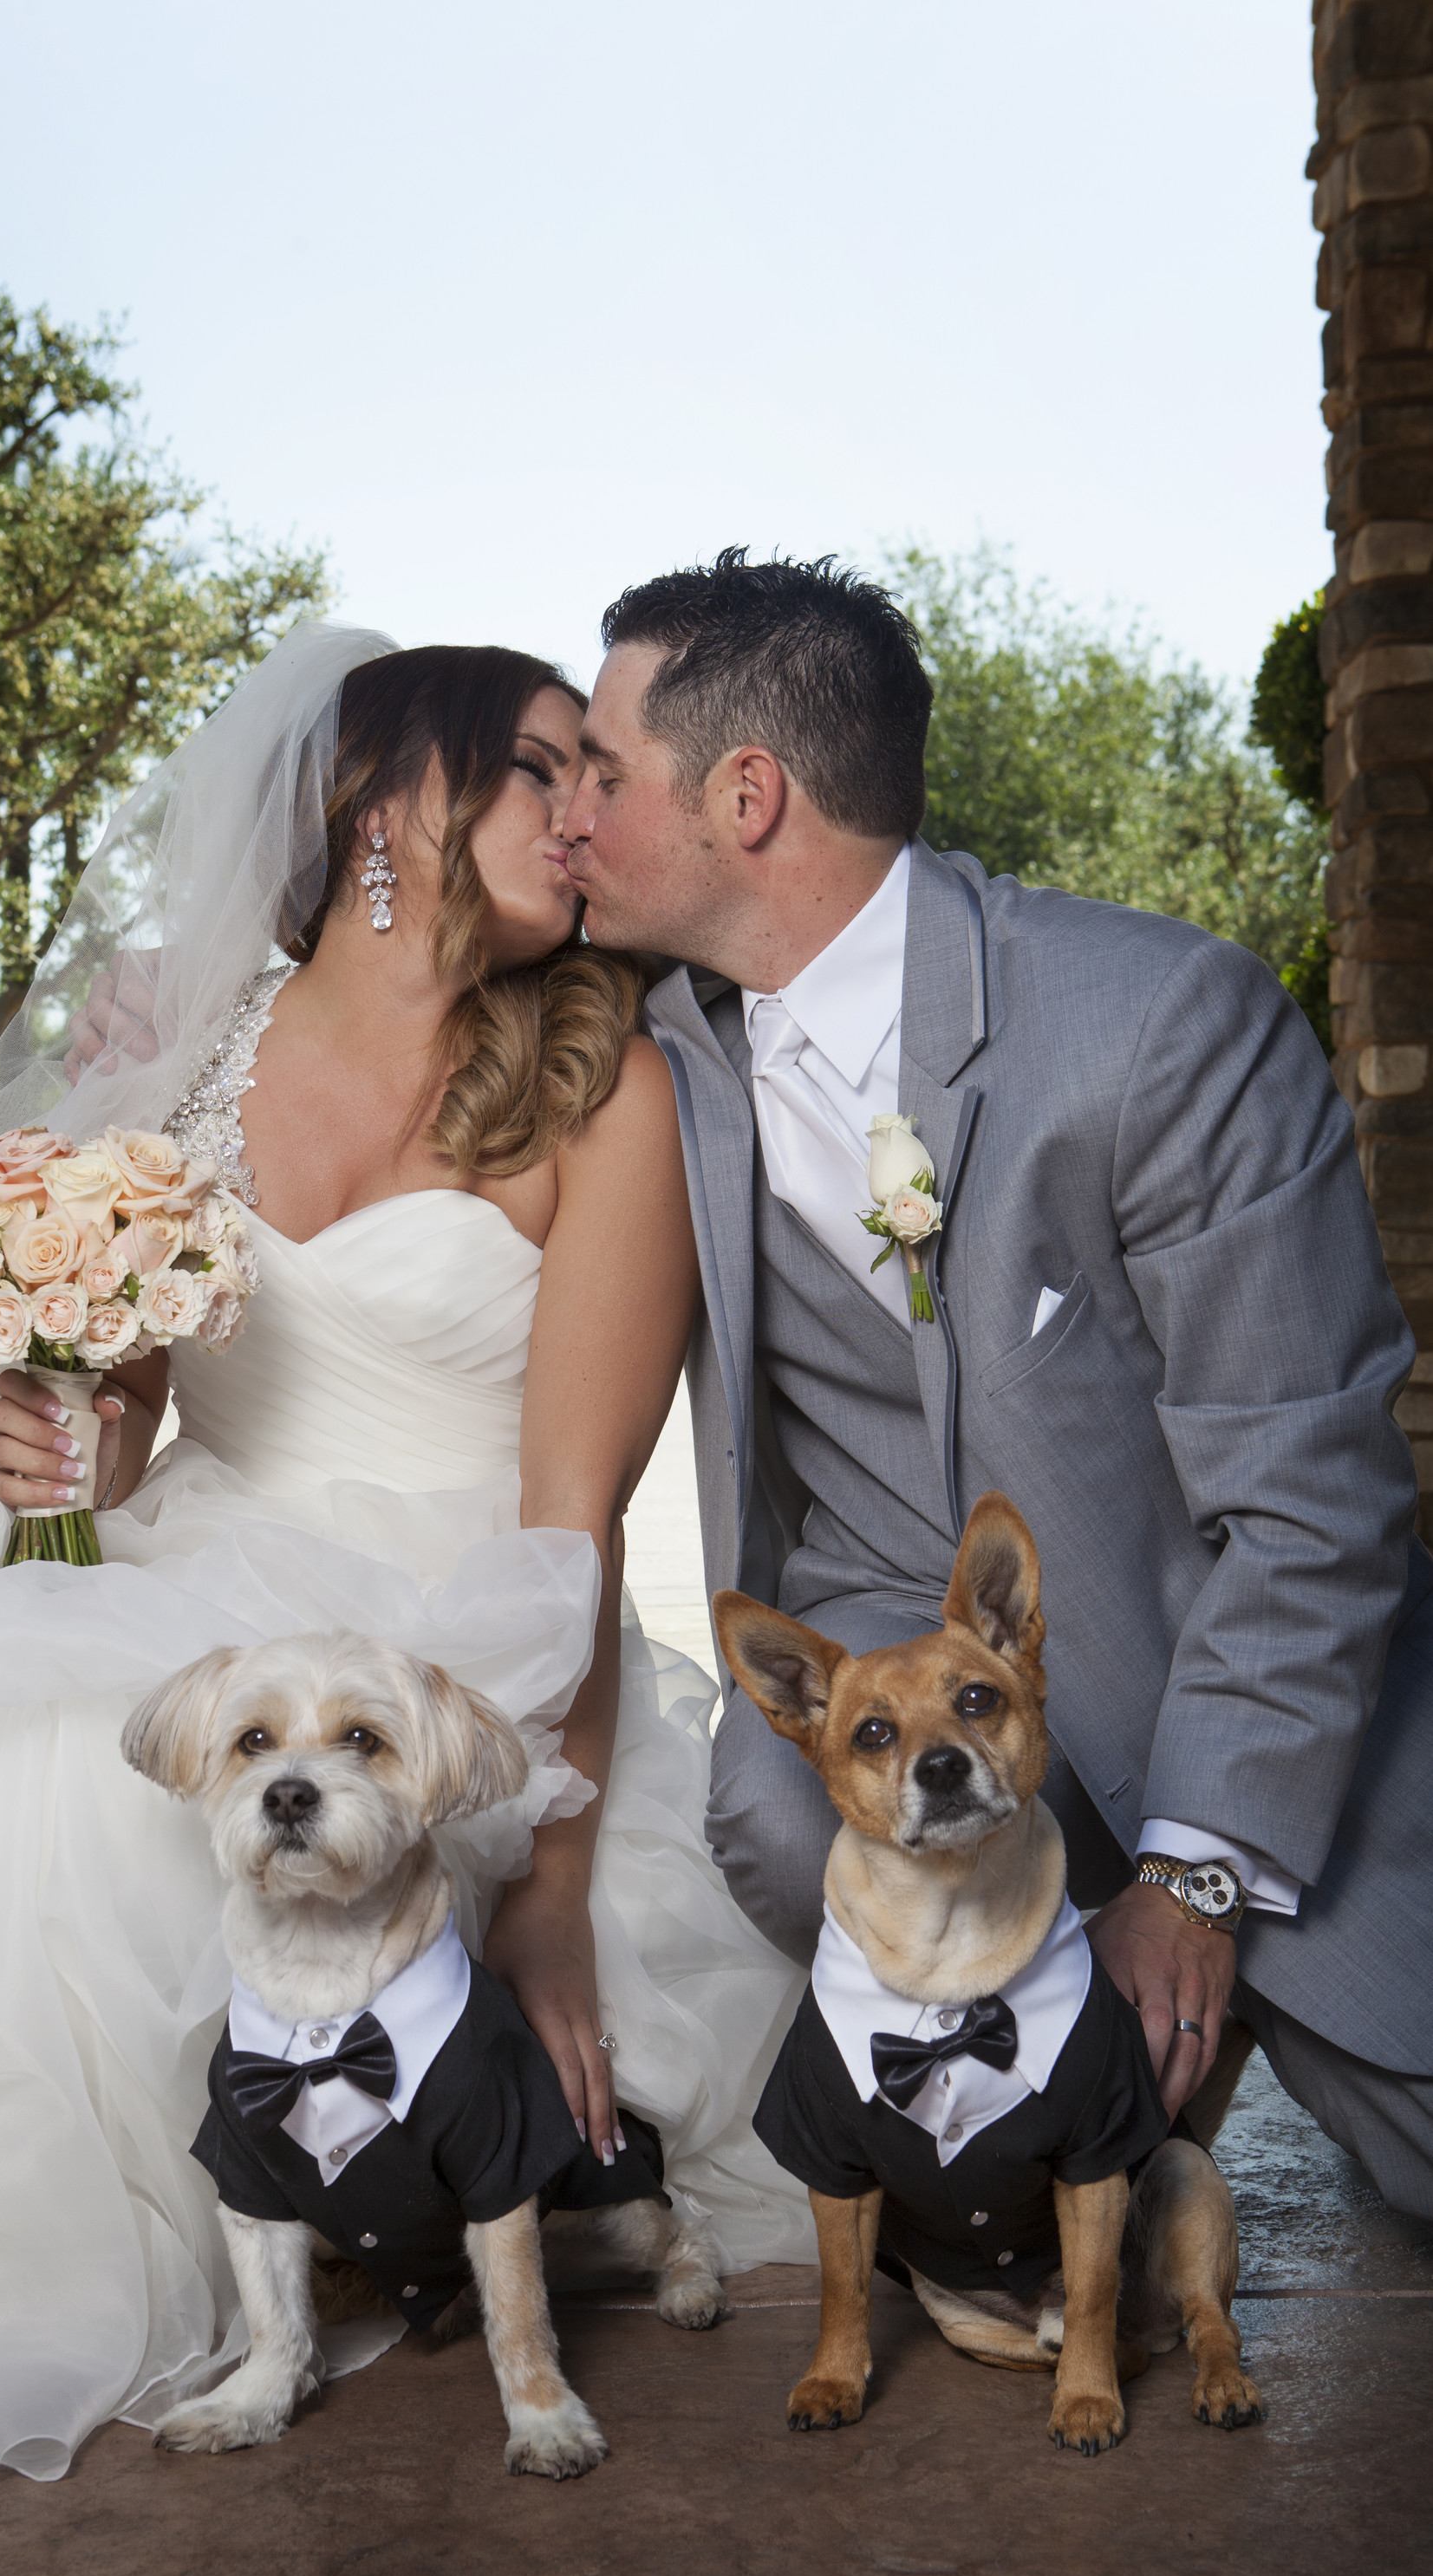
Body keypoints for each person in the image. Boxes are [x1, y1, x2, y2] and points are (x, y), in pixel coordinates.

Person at [0, 624, 808, 2491]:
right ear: (398, 791)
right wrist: (58, 1434)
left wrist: (546, 1892)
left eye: (594, 773)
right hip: (194, 1555)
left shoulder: (595, 1092)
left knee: (178, 1840)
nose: (585, 815)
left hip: (445, 1631)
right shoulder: (175, 1051)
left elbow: (569, 1530)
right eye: (546, 766)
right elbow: (130, 1399)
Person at [562, 550, 1433, 2220]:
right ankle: (1040, 2103)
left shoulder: (1158, 1023)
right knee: (761, 1796)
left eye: (602, 775)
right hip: (935, 1712)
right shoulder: (662, 1044)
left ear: (746, 796)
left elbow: (1316, 1503)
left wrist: (1191, 1871)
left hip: (1239, 1706)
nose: (568, 823)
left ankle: (1199, 1993)